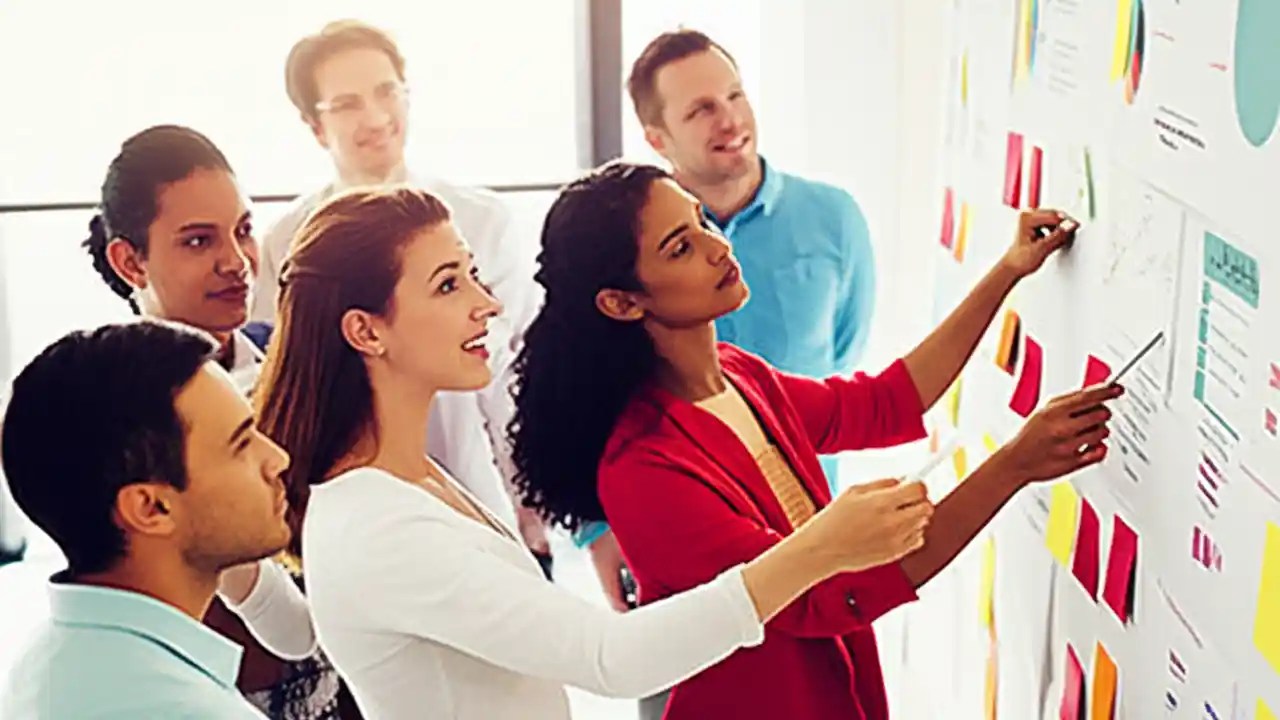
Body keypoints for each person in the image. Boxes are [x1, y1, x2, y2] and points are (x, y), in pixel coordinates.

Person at [252, 185, 940, 720]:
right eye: (448, 285)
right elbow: (611, 659)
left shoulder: (413, 482)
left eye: (472, 273)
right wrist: (819, 548)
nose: (487, 304)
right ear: (366, 332)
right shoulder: (379, 526)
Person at [507, 162, 1121, 720]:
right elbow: (833, 592)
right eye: (681, 247)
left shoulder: (740, 376)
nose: (718, 247)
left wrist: (1008, 270)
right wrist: (1012, 466)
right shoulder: (643, 469)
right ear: (621, 303)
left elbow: (885, 402)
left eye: (700, 220)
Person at [249, 19, 552, 573]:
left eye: (386, 92)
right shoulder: (289, 240)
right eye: (347, 104)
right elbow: (289, 379)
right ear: (315, 126)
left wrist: (532, 506)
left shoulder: (481, 219)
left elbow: (512, 378)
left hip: (474, 494)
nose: (374, 117)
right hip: (350, 517)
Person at [81, 124, 350, 719]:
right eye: (199, 241)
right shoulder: (107, 413)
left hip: (351, 673)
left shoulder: (293, 359)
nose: (236, 262)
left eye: (244, 231)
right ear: (129, 261)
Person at [0, 320, 301, 718]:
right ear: (151, 508)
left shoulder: (44, 662)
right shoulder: (189, 709)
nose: (278, 460)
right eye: (241, 445)